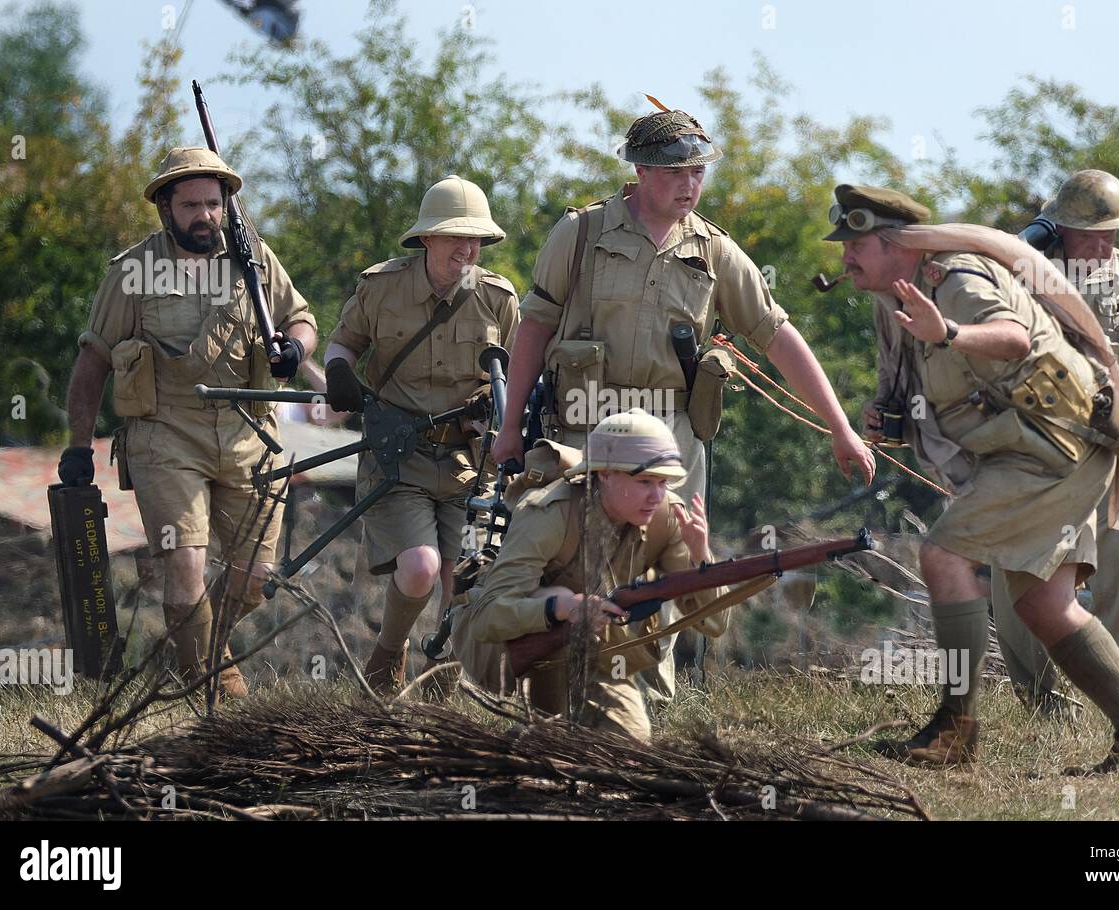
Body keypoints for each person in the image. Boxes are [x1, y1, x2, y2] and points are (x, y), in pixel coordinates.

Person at [492, 106, 874, 701]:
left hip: (670, 434)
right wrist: (509, 427)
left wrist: (840, 427)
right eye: (675, 172)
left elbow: (776, 334)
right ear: (641, 170)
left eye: (698, 173)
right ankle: (553, 694)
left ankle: (644, 699)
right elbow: (535, 328)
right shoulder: (584, 233)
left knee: (668, 567)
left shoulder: (714, 250)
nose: (689, 184)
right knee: (569, 557)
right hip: (584, 426)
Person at [829, 183, 1119, 773]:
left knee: (942, 555)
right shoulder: (898, 295)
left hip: (1052, 447)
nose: (844, 259)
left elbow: (1011, 337)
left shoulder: (956, 278)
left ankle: (956, 728)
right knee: (1045, 604)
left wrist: (949, 334)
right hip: (1041, 449)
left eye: (855, 245)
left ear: (894, 244)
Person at [59, 147, 317, 697]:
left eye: (214, 203)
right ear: (165, 209)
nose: (205, 215)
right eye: (192, 204)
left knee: (255, 578)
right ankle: (214, 690)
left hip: (249, 429)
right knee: (185, 562)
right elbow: (94, 359)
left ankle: (196, 656)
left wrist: (293, 350)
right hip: (166, 431)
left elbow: (301, 319)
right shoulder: (134, 271)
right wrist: (78, 445)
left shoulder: (254, 258)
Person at [991, 170, 1119, 719]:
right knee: (1017, 581)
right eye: (1089, 234)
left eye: (1111, 234)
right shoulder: (1024, 282)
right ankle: (1045, 705)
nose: (1101, 246)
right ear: (1062, 231)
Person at [323, 175, 519, 693]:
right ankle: (388, 658)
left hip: (472, 466)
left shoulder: (498, 299)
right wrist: (340, 373)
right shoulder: (381, 288)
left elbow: (521, 378)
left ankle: (444, 678)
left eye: (476, 237)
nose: (467, 247)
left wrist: (503, 417)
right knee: (420, 568)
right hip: (398, 459)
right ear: (426, 238)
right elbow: (341, 343)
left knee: (468, 582)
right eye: (455, 236)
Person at [468, 408, 728, 741]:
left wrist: (701, 558)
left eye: (664, 482)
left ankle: (548, 738)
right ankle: (543, 730)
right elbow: (486, 617)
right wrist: (562, 608)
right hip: (521, 647)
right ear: (604, 475)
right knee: (555, 734)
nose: (657, 495)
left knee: (629, 746)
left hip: (604, 655)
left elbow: (714, 625)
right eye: (645, 481)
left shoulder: (667, 516)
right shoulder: (548, 513)